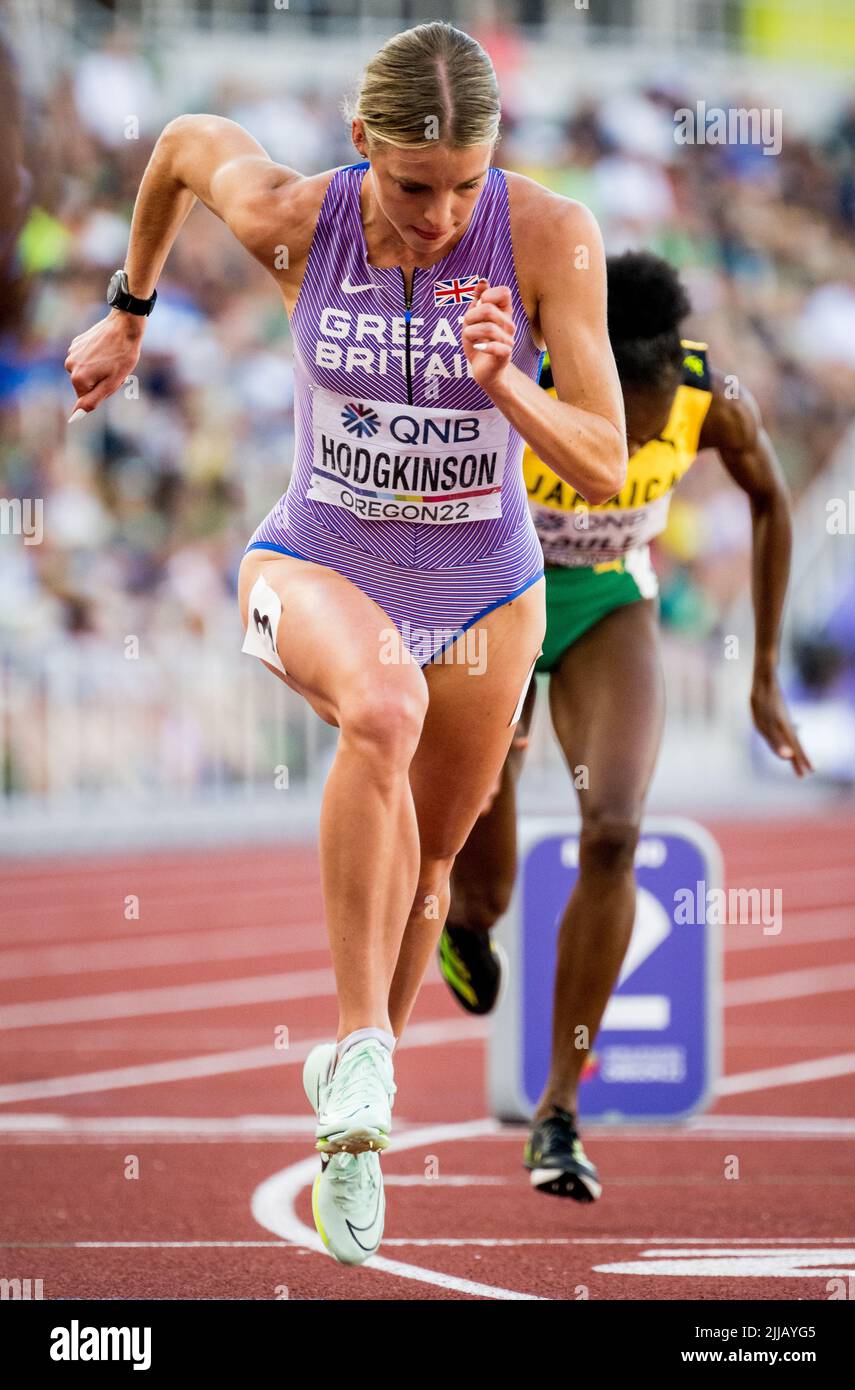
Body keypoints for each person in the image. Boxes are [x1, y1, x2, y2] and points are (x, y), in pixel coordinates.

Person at [63, 22, 627, 1264]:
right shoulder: (289, 217)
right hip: (320, 553)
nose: (438, 216)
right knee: (380, 707)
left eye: (464, 185)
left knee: (431, 870)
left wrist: (509, 387)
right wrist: (129, 312)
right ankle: (363, 1046)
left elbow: (601, 457)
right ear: (359, 139)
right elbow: (176, 147)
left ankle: (347, 1120)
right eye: (413, 186)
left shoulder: (548, 237)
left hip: (487, 584)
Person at [440, 250, 812, 1201]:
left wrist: (764, 675)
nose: (618, 469)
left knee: (613, 831)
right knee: (482, 849)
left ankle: (558, 1111)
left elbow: (771, 500)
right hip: (501, 599)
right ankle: (469, 926)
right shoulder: (524, 376)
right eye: (609, 439)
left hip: (610, 601)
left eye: (643, 447)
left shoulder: (706, 393)